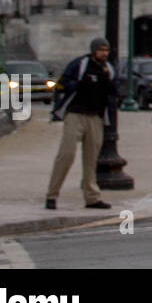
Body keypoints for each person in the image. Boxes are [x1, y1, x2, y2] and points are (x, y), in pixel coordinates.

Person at [46, 38, 116, 210]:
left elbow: (113, 91)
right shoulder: (80, 64)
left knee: (91, 160)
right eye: (101, 50)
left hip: (95, 117)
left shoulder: (108, 69)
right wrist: (77, 85)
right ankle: (52, 195)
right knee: (66, 155)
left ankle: (92, 197)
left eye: (106, 50)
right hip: (76, 115)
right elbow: (61, 85)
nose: (104, 53)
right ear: (93, 51)